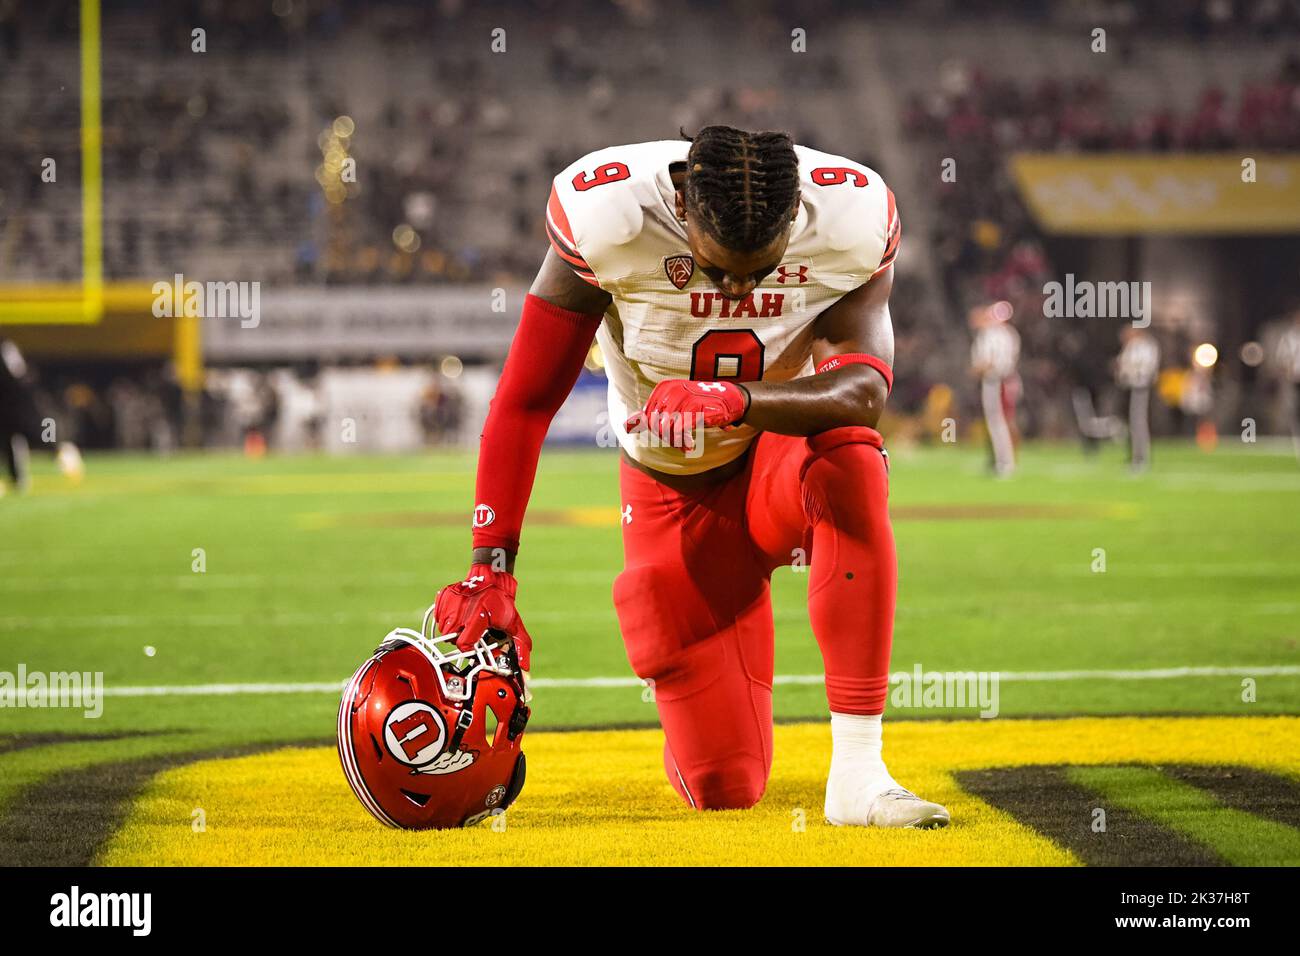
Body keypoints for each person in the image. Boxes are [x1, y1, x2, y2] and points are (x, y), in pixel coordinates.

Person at [430, 127, 948, 828]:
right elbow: (525, 402)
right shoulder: (611, 216)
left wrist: (732, 401)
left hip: (776, 465)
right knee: (724, 784)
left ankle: (859, 773)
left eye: (758, 271)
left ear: (794, 219)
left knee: (852, 457)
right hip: (672, 496)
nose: (737, 290)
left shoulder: (849, 219)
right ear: (680, 206)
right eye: (718, 268)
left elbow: (863, 392)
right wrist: (491, 566)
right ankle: (718, 653)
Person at [968, 303, 1020, 477]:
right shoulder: (1009, 334)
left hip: (995, 381)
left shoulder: (990, 334)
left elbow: (988, 362)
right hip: (1007, 379)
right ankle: (1006, 460)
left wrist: (976, 370)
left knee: (998, 423)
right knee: (1005, 421)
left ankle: (1004, 462)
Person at [1115, 325, 1160, 472]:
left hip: (1141, 387)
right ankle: (1135, 455)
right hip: (1130, 386)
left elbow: (1143, 367)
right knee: (1132, 423)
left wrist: (1130, 371)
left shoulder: (1146, 346)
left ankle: (1141, 456)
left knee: (1139, 422)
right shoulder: (1132, 346)